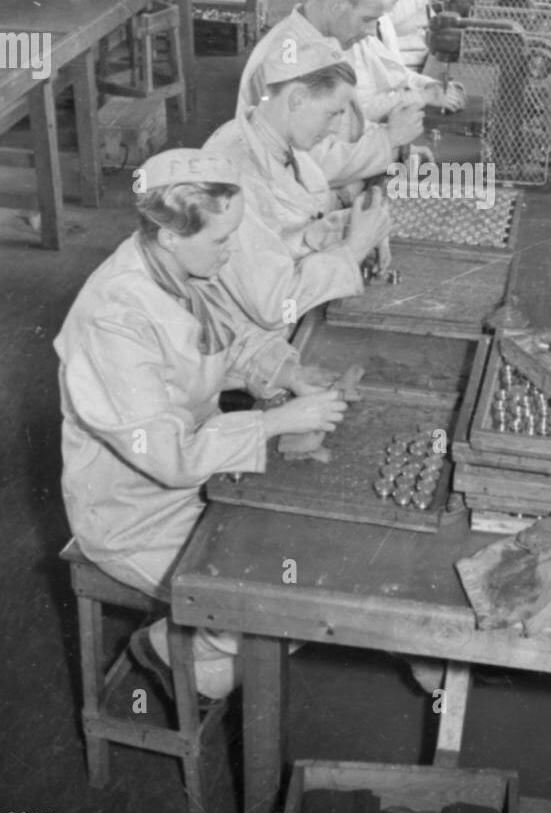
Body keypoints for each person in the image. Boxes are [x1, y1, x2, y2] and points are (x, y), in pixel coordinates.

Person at [55, 149, 347, 700]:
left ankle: (198, 650)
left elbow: (229, 340)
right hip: (133, 514)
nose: (230, 249)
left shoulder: (180, 266)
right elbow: (167, 457)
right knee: (283, 597)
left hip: (198, 478)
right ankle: (173, 647)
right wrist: (275, 422)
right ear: (169, 234)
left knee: (311, 565)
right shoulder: (116, 318)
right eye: (220, 239)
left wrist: (291, 371)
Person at [204, 42, 394, 331]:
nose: (334, 128)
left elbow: (291, 232)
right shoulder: (231, 176)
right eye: (332, 113)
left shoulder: (281, 142)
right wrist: (353, 249)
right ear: (297, 99)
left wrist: (349, 226)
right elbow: (273, 305)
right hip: (247, 343)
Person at [237, 0, 425, 182]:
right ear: (336, 4)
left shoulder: (325, 39)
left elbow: (347, 125)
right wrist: (388, 141)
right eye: (367, 19)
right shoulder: (287, 58)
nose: (370, 31)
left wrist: (398, 150)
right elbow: (307, 164)